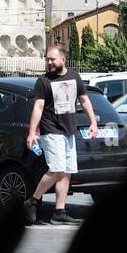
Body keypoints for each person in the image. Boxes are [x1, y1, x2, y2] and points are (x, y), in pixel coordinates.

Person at [25, 45, 97, 225]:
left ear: (63, 60)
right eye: (47, 59)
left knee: (66, 172)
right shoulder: (43, 81)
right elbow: (38, 107)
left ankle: (59, 211)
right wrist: (32, 132)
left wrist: (93, 122)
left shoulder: (74, 76)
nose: (49, 62)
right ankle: (33, 201)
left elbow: (84, 100)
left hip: (69, 131)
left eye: (52, 59)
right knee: (56, 169)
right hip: (51, 131)